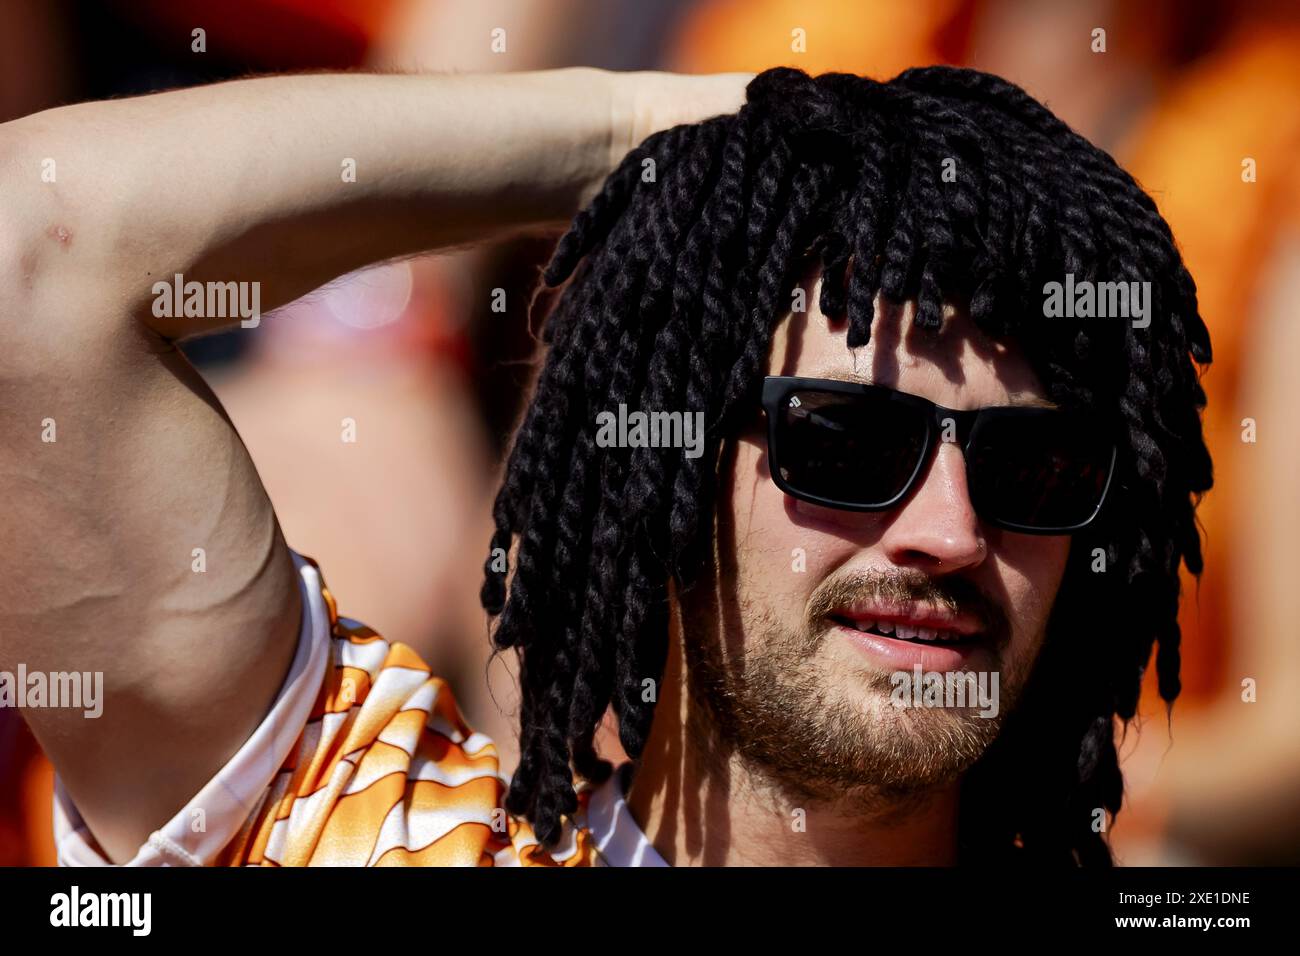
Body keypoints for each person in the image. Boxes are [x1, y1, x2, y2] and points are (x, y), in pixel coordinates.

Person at [0, 64, 1211, 866]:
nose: (949, 530)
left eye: (1033, 468)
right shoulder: (375, 836)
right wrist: (674, 133)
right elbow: (27, 259)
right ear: (662, 476)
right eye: (848, 442)